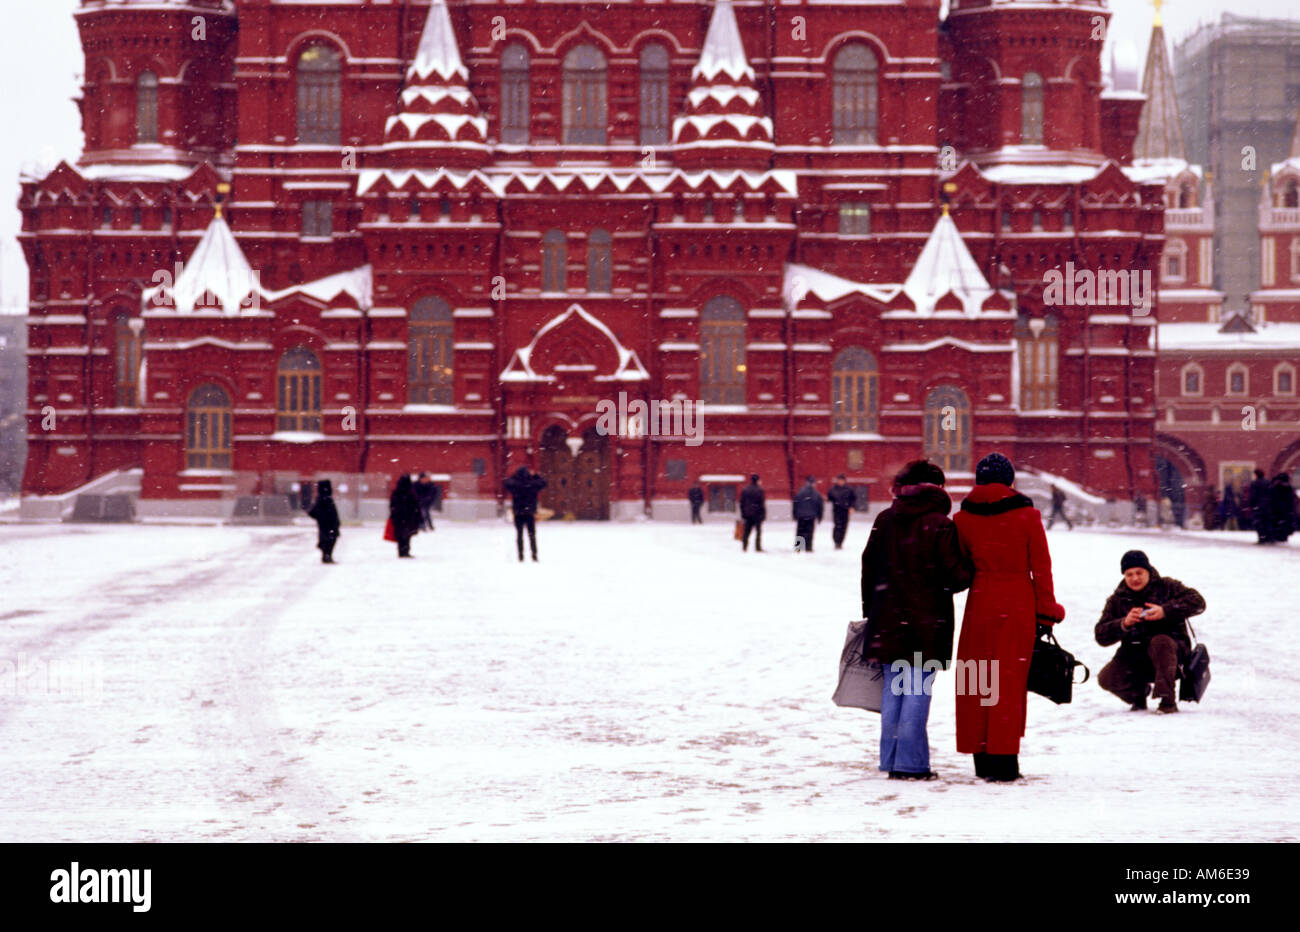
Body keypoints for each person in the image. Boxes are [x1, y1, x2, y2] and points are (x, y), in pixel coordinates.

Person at [953, 452, 1066, 783]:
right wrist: (1046, 611)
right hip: (1017, 603)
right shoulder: (1028, 517)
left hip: (980, 602)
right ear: (1010, 481)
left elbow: (960, 568)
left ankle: (980, 757)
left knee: (976, 677)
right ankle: (1004, 762)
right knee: (1007, 681)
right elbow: (1042, 569)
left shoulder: (963, 519)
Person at [860, 460, 974, 780]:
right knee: (916, 690)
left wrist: (872, 612)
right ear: (937, 489)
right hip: (927, 625)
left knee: (894, 690)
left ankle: (891, 758)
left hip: (887, 622)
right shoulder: (940, 524)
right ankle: (910, 764)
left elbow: (868, 568)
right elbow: (957, 577)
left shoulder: (884, 519)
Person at [1095, 550, 1206, 714]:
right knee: (1106, 678)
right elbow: (1100, 635)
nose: (1134, 578)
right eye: (1129, 574)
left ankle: (1167, 701)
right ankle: (1138, 695)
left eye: (1139, 573)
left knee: (1160, 641)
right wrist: (1123, 623)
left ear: (1148, 571)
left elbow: (1198, 602)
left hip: (1172, 657)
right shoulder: (1118, 599)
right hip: (1135, 656)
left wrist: (1165, 611)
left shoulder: (1168, 586)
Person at [504, 466, 547, 562]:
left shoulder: (515, 484)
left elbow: (507, 483)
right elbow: (544, 482)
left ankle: (520, 556)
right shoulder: (532, 484)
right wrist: (535, 475)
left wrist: (515, 476)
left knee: (519, 535)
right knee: (532, 535)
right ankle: (534, 555)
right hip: (530, 513)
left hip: (518, 513)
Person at [307, 479, 340, 564]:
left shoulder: (322, 498)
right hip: (328, 525)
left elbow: (312, 512)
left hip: (326, 525)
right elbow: (312, 512)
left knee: (328, 539)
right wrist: (323, 518)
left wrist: (320, 518)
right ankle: (327, 556)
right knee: (329, 540)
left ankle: (326, 556)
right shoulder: (324, 498)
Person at [389, 474, 421, 558]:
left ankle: (401, 551)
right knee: (407, 536)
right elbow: (416, 506)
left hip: (399, 518)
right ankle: (405, 551)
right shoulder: (411, 493)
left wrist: (393, 515)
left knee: (400, 536)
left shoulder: (396, 492)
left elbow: (392, 506)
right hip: (409, 518)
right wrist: (417, 516)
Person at [792, 476, 824, 552]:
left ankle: (799, 547)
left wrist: (795, 514)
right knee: (809, 532)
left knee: (800, 531)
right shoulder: (817, 494)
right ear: (814, 484)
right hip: (811, 516)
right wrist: (820, 517)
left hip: (801, 516)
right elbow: (820, 506)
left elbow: (795, 503)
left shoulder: (800, 492)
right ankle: (808, 547)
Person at [827, 474, 856, 550]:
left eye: (842, 480)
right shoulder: (833, 489)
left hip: (845, 511)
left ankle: (840, 542)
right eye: (839, 480)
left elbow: (853, 499)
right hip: (837, 511)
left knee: (844, 527)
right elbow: (829, 497)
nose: (840, 482)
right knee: (837, 526)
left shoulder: (849, 489)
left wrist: (852, 507)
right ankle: (836, 542)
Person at [739, 474, 765, 552]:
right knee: (758, 532)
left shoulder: (745, 489)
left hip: (748, 514)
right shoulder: (759, 490)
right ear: (757, 480)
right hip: (757, 514)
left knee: (747, 531)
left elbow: (742, 503)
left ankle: (744, 546)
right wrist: (763, 514)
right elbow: (761, 504)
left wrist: (743, 513)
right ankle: (758, 547)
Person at [1270, 473, 1297, 544]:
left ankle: (1279, 535)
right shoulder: (1289, 488)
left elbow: (1273, 498)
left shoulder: (1276, 487)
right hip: (1286, 510)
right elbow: (1291, 499)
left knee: (1278, 523)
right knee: (1285, 523)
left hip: (1278, 510)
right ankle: (1283, 536)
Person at [1248, 469, 1272, 543]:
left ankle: (1261, 537)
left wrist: (1252, 505)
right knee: (1267, 522)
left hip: (1258, 505)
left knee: (1259, 522)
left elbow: (1253, 495)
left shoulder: (1255, 483)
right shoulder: (1268, 482)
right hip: (1267, 505)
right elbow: (1271, 493)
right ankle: (1268, 537)